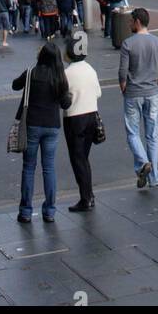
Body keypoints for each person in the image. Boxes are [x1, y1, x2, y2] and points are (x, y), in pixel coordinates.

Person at [12, 43, 72, 223]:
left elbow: (15, 85)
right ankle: (50, 211)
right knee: (49, 168)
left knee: (29, 168)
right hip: (52, 126)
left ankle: (25, 211)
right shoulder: (59, 77)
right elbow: (65, 104)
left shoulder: (31, 73)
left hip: (32, 125)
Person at [119, 8, 158, 188]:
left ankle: (143, 162)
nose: (129, 23)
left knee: (133, 132)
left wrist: (123, 86)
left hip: (133, 93)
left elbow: (123, 72)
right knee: (152, 135)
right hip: (152, 92)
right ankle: (154, 176)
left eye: (131, 21)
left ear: (137, 22)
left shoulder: (128, 44)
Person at [63, 35, 102, 211]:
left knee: (77, 159)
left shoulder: (67, 73)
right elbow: (98, 93)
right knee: (84, 158)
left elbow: (62, 98)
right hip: (91, 115)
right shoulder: (90, 69)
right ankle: (89, 195)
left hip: (74, 118)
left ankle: (85, 198)